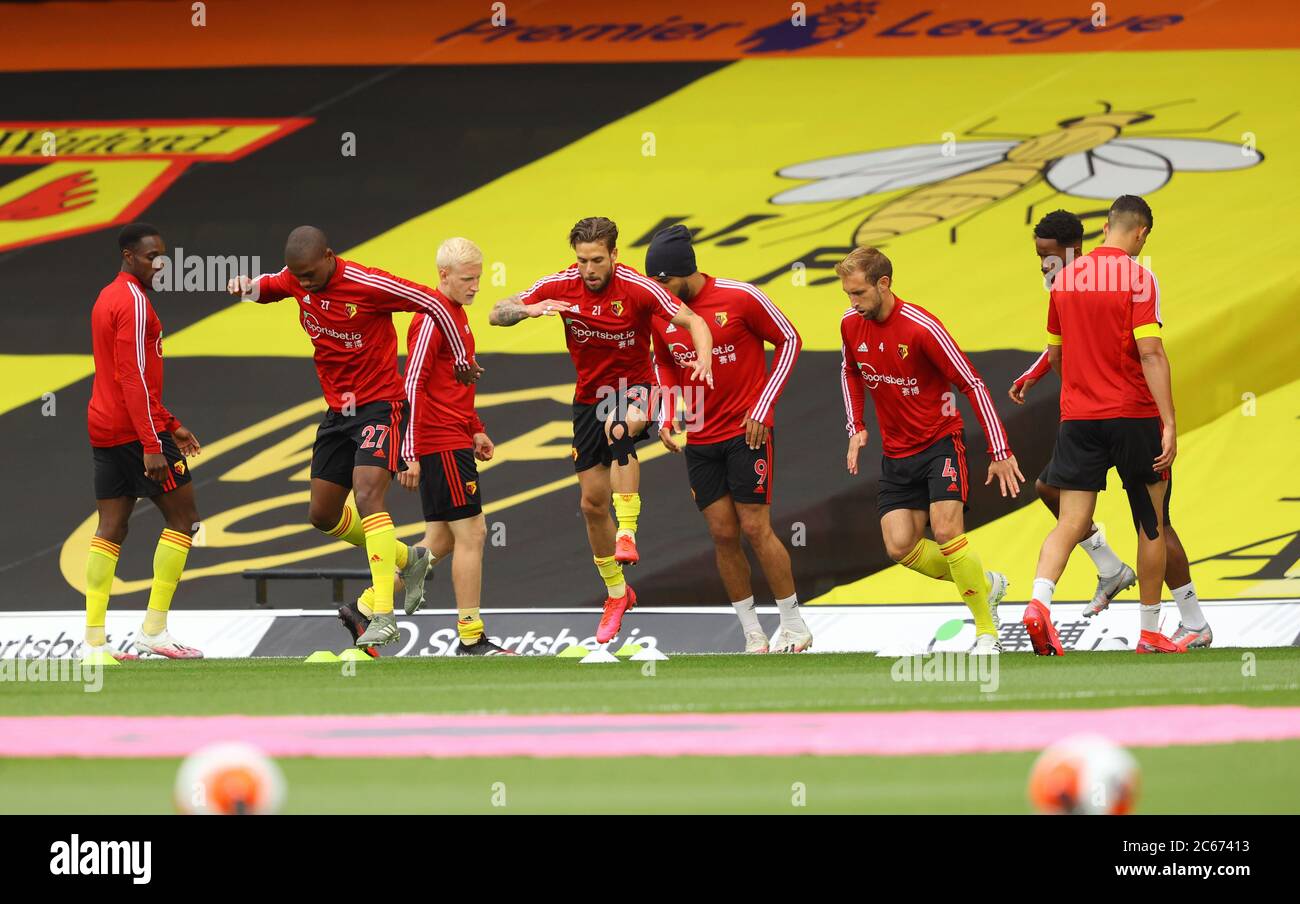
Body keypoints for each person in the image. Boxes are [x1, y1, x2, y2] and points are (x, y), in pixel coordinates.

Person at [228, 226, 468, 649]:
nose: (303, 283)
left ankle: (383, 615)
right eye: (297, 276)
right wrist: (248, 288)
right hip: (338, 412)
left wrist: (463, 357)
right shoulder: (297, 279)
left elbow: (432, 300)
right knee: (321, 515)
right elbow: (270, 286)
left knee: (368, 494)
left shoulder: (367, 283)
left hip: (380, 404)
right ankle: (406, 558)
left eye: (309, 274)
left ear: (329, 256)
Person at [488, 217, 713, 644]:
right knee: (592, 504)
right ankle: (616, 593)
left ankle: (627, 532)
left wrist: (702, 358)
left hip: (639, 389)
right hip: (588, 398)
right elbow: (496, 313)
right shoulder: (561, 284)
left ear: (613, 255)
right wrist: (527, 309)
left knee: (617, 428)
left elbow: (694, 322)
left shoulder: (638, 288)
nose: (588, 269)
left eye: (596, 260)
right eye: (581, 260)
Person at [1012, 210, 1210, 649]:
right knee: (1152, 523)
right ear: (1141, 233)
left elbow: (1058, 353)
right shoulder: (1138, 278)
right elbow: (1151, 353)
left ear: (1105, 227)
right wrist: (1171, 421)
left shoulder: (1063, 280)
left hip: (1080, 417)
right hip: (1133, 415)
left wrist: (1072, 391)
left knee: (1069, 518)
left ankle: (1038, 603)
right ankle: (1150, 630)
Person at [838, 246, 1020, 654]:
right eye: (848, 294)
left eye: (859, 293)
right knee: (899, 546)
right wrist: (857, 426)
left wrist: (999, 448)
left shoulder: (922, 328)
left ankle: (987, 633)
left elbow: (971, 383)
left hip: (940, 444)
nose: (852, 303)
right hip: (896, 454)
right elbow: (850, 370)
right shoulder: (851, 324)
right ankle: (986, 584)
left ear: (883, 284)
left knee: (946, 531)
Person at [648, 225, 808, 653]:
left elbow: (790, 340)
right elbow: (663, 361)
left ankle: (793, 623)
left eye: (663, 280)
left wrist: (763, 406)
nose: (657, 290)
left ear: (685, 270)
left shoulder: (740, 296)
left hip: (746, 431)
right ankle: (752, 632)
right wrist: (667, 411)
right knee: (721, 534)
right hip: (701, 436)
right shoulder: (661, 310)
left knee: (756, 527)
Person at [85, 222, 204, 662]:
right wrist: (153, 440)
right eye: (153, 256)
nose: (161, 263)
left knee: (110, 528)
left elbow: (124, 376)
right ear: (129, 256)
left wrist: (170, 423)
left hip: (106, 426)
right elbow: (132, 377)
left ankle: (94, 645)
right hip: (137, 433)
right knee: (185, 519)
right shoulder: (134, 303)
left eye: (164, 255)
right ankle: (154, 629)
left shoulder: (106, 297)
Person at [396, 237, 511, 654]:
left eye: (479, 278)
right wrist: (408, 451)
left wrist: (475, 427)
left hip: (453, 437)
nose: (476, 286)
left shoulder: (456, 316)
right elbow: (413, 384)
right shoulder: (431, 318)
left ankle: (364, 608)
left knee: (439, 543)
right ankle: (471, 635)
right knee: (475, 533)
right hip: (438, 442)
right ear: (443, 275)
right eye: (468, 278)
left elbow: (453, 384)